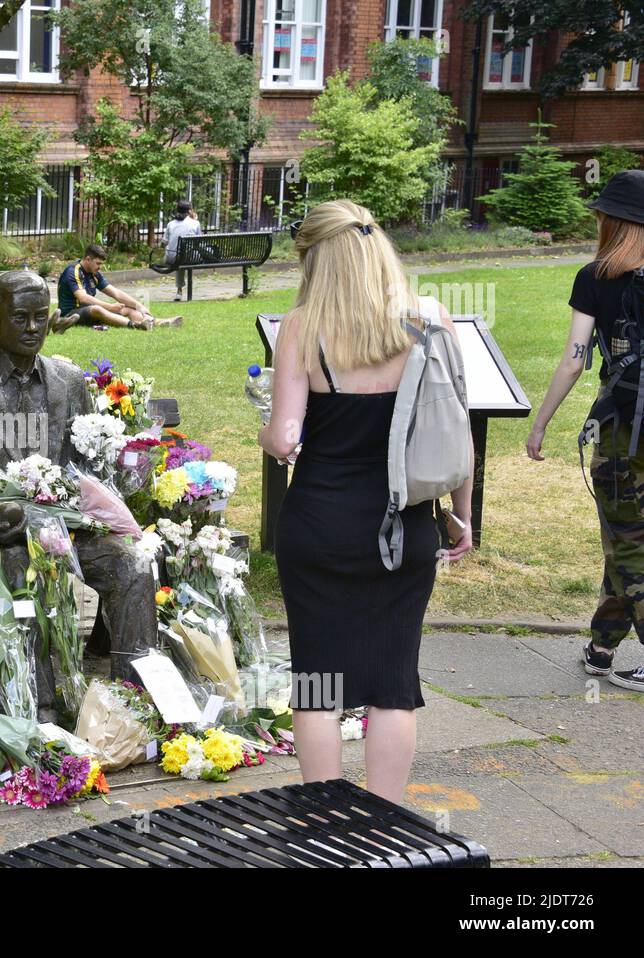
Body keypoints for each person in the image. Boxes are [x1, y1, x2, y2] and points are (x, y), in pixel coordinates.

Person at [258, 199, 474, 805]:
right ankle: (383, 821)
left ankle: (326, 822)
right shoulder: (430, 318)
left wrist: (263, 430)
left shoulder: (302, 327)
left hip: (319, 526)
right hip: (404, 527)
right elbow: (457, 431)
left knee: (318, 683)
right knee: (393, 683)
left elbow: (284, 440)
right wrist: (461, 514)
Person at [0, 270, 159, 722]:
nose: (33, 328)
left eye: (41, 318)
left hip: (69, 528)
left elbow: (86, 466)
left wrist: (110, 483)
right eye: (21, 318)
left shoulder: (68, 381)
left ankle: (136, 702)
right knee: (18, 566)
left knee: (132, 564)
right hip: (0, 537)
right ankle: (41, 706)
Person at [526, 169, 644, 694]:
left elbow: (574, 361)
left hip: (621, 430)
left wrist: (541, 422)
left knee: (629, 543)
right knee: (627, 540)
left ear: (613, 223)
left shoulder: (594, 277)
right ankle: (602, 647)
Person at [56, 243, 181, 331]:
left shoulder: (94, 274)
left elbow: (115, 293)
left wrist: (139, 305)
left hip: (89, 312)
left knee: (126, 309)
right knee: (97, 309)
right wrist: (110, 307)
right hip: (71, 315)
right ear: (88, 259)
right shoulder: (73, 271)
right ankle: (135, 326)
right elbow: (83, 298)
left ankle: (156, 322)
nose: (100, 267)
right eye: (98, 263)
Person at [163, 201, 202, 301]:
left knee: (179, 258)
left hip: (172, 258)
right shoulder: (195, 223)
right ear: (189, 211)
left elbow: (165, 242)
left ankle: (179, 291)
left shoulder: (170, 224)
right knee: (187, 254)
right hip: (189, 257)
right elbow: (199, 241)